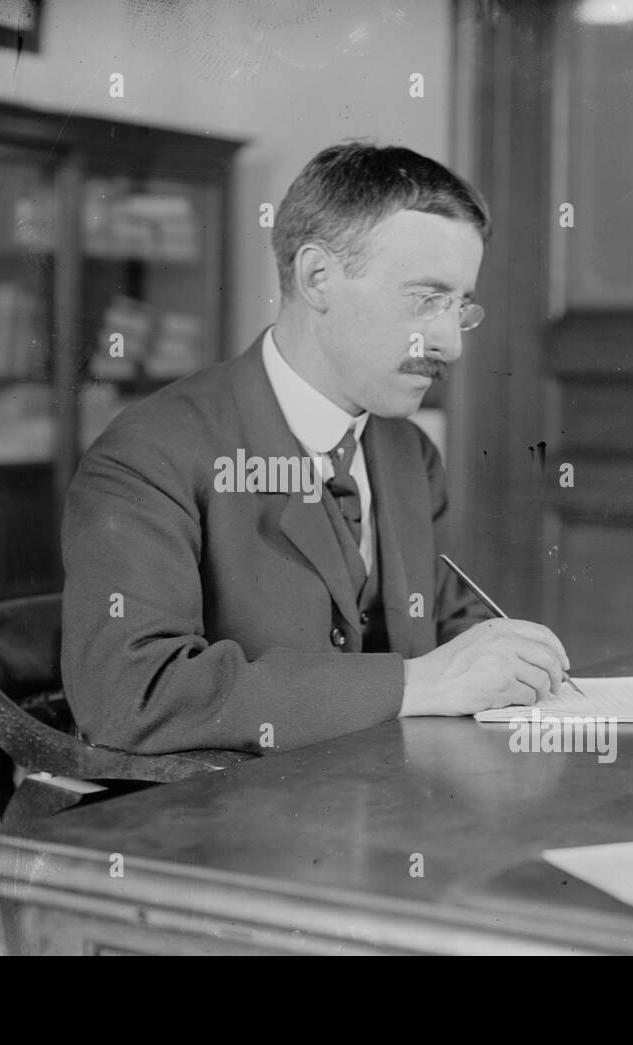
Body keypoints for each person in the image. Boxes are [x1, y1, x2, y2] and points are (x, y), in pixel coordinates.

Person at [60, 141, 571, 755]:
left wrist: (508, 661)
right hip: (211, 827)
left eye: (460, 307)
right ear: (316, 278)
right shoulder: (151, 452)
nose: (449, 344)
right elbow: (129, 692)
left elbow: (447, 624)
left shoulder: (409, 452)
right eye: (425, 300)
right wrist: (413, 683)